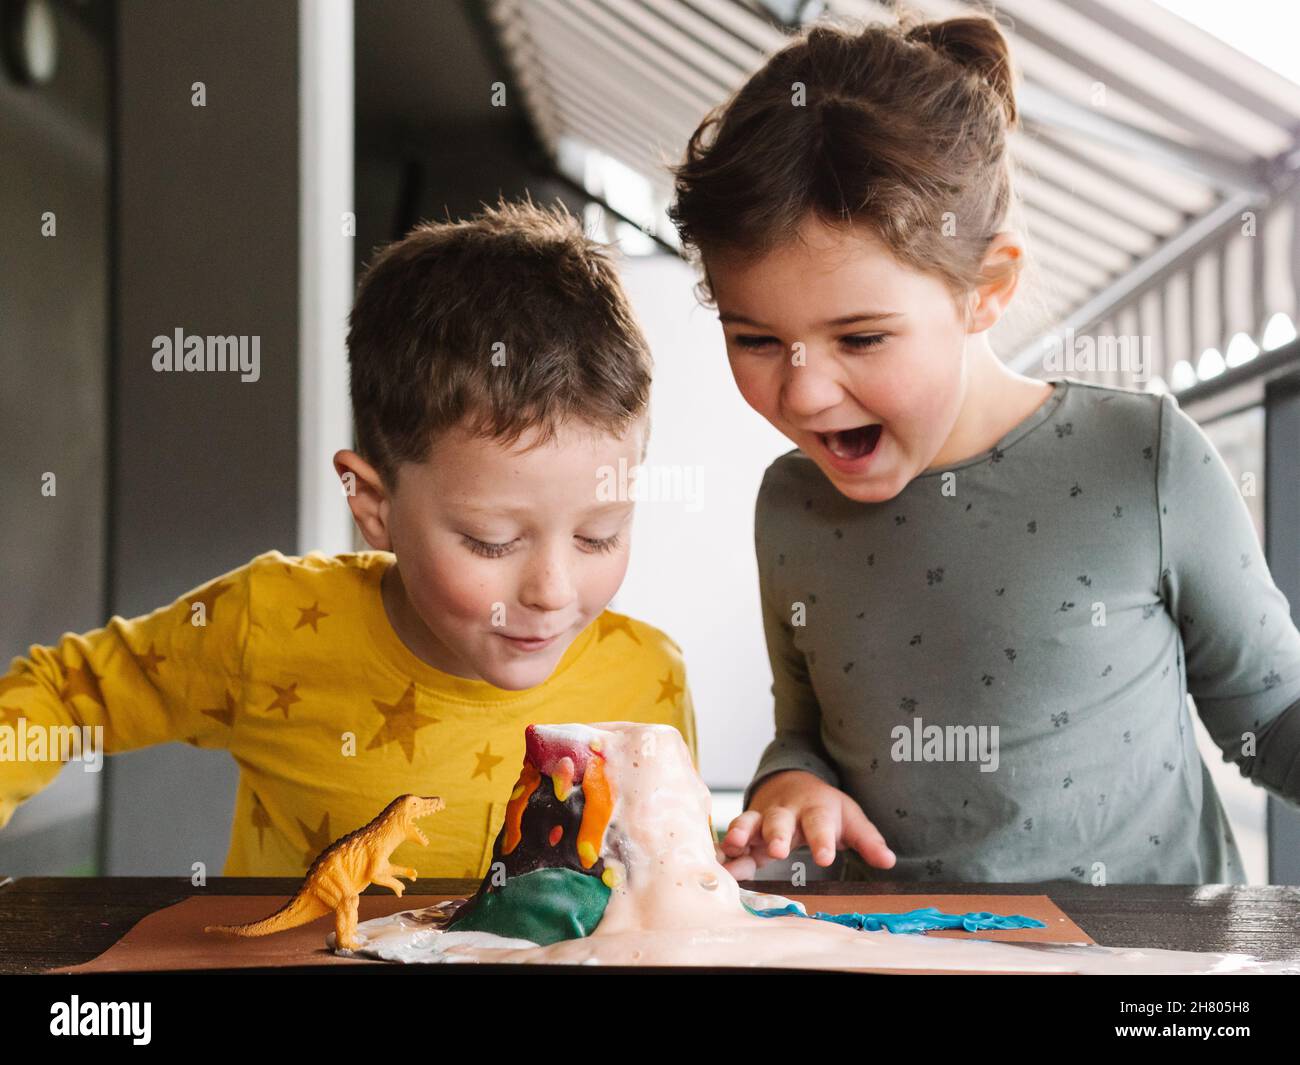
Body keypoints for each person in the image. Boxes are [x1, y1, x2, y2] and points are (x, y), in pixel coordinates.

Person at [669, 13, 1300, 883]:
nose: (805, 390)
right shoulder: (790, 500)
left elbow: (1271, 719)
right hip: (896, 952)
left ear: (988, 288)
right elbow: (807, 730)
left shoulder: (1140, 457)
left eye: (860, 338)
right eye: (756, 339)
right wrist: (789, 783)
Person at [0, 198, 697, 878]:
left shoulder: (650, 680)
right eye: (490, 541)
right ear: (372, 504)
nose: (552, 591)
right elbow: (64, 694)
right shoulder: (267, 625)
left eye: (599, 535)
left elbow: (681, 880)